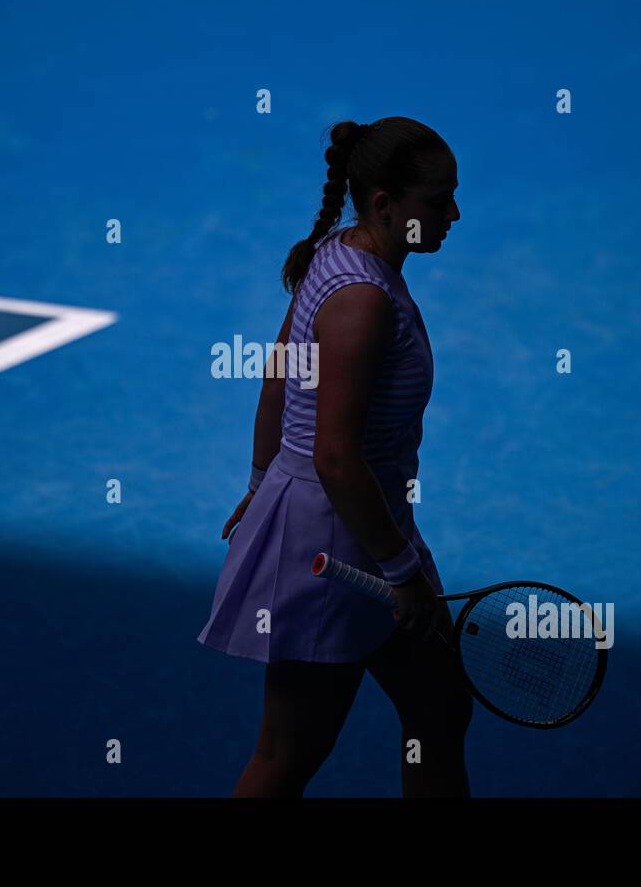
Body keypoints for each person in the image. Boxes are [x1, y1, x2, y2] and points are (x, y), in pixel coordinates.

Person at [197, 116, 473, 797]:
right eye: (437, 201)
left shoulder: (336, 250)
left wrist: (262, 483)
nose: (454, 214)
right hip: (339, 549)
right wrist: (402, 571)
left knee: (438, 706)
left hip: (361, 527)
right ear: (385, 204)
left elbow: (277, 380)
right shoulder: (362, 303)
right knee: (286, 755)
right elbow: (336, 457)